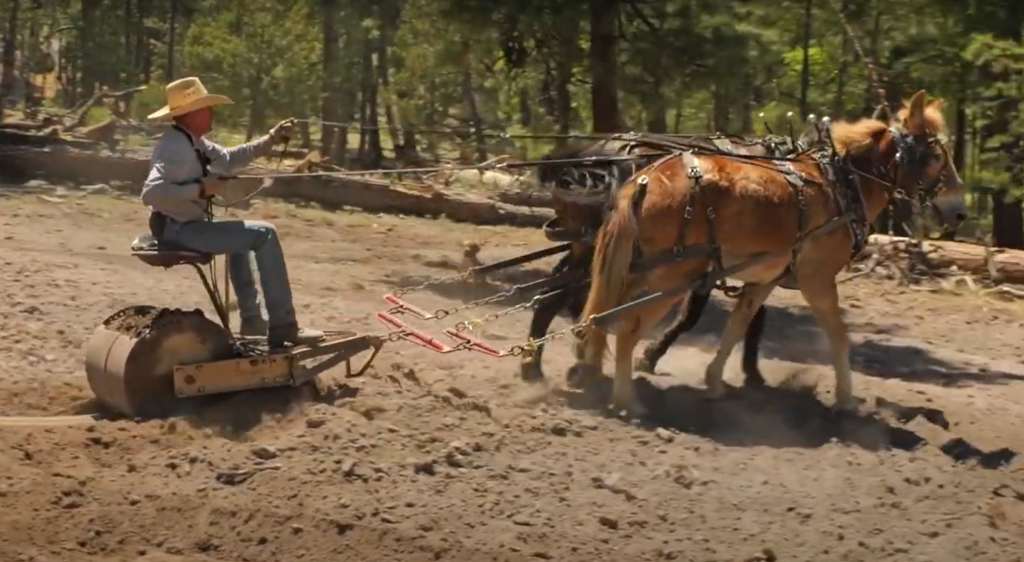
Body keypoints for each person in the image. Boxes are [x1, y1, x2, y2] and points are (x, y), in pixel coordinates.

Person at [140, 76, 324, 348]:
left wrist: (271, 139)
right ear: (193, 114)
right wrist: (200, 189)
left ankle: (252, 320)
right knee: (265, 234)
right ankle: (284, 326)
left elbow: (228, 159)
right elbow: (151, 193)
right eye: (207, 107)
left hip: (181, 225)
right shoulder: (176, 149)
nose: (212, 112)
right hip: (180, 229)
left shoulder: (190, 141)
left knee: (242, 236)